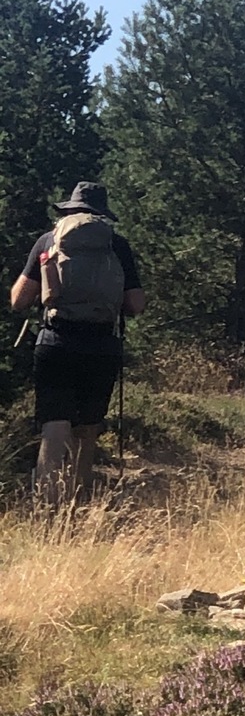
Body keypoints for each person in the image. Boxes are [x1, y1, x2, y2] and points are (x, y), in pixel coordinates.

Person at [10, 181, 145, 505]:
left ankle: (46, 505)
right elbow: (136, 305)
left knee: (55, 427)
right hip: (101, 346)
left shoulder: (49, 240)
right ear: (102, 213)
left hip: (56, 341)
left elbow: (19, 300)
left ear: (69, 208)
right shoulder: (118, 245)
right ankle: (78, 504)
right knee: (87, 429)